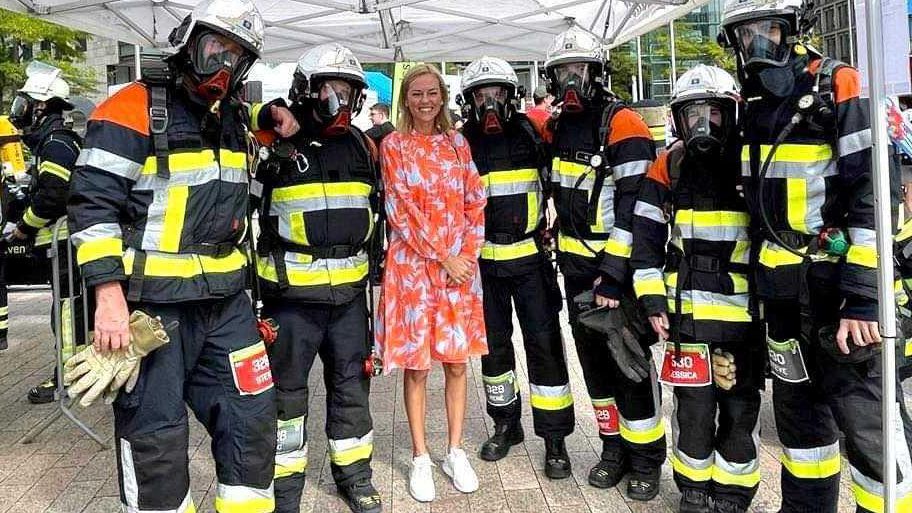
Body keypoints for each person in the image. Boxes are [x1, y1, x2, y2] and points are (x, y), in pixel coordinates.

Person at [67, 0, 298, 511]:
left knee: (253, 424)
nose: (222, 65)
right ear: (188, 42)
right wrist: (108, 299)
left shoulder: (235, 117)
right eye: (215, 48)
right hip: (153, 309)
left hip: (227, 307)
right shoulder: (129, 107)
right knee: (156, 441)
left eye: (236, 58)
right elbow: (92, 208)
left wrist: (271, 113)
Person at [719, 0, 912, 510]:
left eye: (769, 30)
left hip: (839, 301)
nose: (757, 43)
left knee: (870, 434)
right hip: (782, 302)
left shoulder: (840, 84)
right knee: (801, 432)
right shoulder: (753, 105)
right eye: (745, 34)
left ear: (794, 30)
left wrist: (864, 299)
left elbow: (874, 194)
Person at [252, 43, 382, 513]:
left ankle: (355, 476)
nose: (341, 100)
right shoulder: (275, 140)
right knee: (287, 399)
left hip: (349, 299)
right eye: (331, 89)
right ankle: (286, 489)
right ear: (305, 91)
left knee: (352, 388)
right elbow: (235, 123)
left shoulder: (363, 145)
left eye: (349, 91)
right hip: (291, 300)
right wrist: (270, 114)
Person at [631, 65, 763, 513]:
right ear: (678, 119)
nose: (702, 123)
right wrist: (652, 302)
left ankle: (732, 492)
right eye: (692, 113)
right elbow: (645, 241)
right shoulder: (670, 163)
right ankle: (692, 485)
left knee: (740, 406)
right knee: (693, 406)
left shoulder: (752, 159)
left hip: (742, 314)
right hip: (685, 313)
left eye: (713, 112)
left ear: (732, 113)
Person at [542, 26, 666, 501]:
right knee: (594, 369)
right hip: (574, 270)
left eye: (580, 71)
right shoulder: (557, 126)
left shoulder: (624, 124)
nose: (571, 81)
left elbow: (638, 211)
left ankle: (646, 459)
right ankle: (612, 448)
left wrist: (613, 277)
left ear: (597, 73)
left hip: (614, 275)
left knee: (629, 366)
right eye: (563, 73)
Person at [376, 63, 487, 503]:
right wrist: (442, 255)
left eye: (432, 93)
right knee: (418, 367)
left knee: (457, 363)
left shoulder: (458, 144)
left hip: (457, 270)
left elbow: (475, 201)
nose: (425, 101)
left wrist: (465, 257)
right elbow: (400, 209)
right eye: (417, 94)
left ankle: (454, 450)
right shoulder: (395, 146)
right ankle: (421, 455)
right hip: (413, 270)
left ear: (443, 97)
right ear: (406, 100)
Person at [459, 56, 575, 476]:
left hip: (530, 261)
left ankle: (555, 438)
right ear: (469, 100)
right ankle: (505, 424)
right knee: (494, 352)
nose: (490, 103)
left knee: (544, 348)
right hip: (484, 265)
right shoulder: (461, 142)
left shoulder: (534, 132)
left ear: (512, 96)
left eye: (498, 94)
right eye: (481, 96)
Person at [7, 62, 84, 403]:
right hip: (66, 244)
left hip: (66, 244)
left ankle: (67, 381)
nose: (19, 111)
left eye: (24, 103)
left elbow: (54, 195)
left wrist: (24, 227)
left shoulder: (55, 144)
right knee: (70, 313)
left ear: (40, 107)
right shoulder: (54, 141)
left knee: (67, 316)